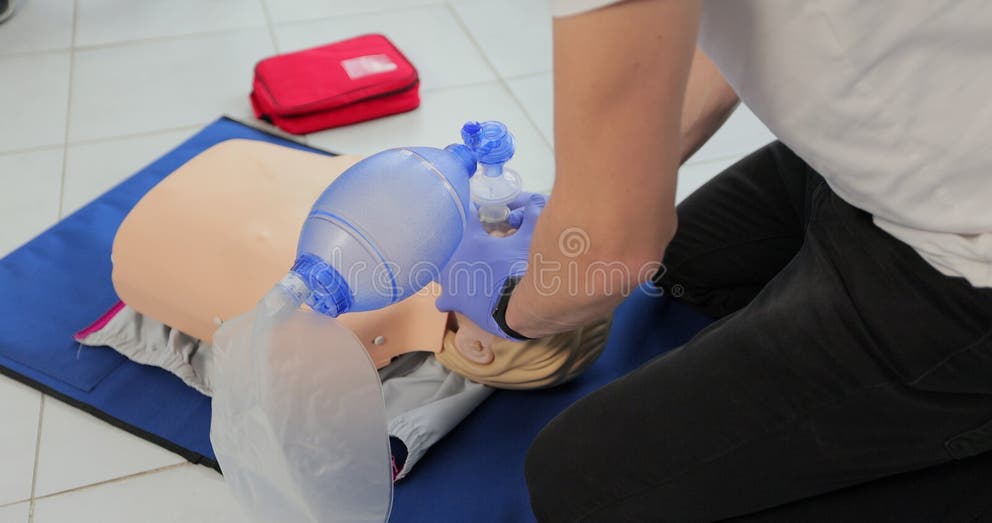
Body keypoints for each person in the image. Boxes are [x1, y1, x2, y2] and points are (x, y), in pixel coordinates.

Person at [434, 0, 992, 520]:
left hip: (962, 258)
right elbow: (727, 34)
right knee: (687, 277)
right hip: (885, 152)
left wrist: (510, 312)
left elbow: (617, 252)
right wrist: (596, 205)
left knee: (578, 482)